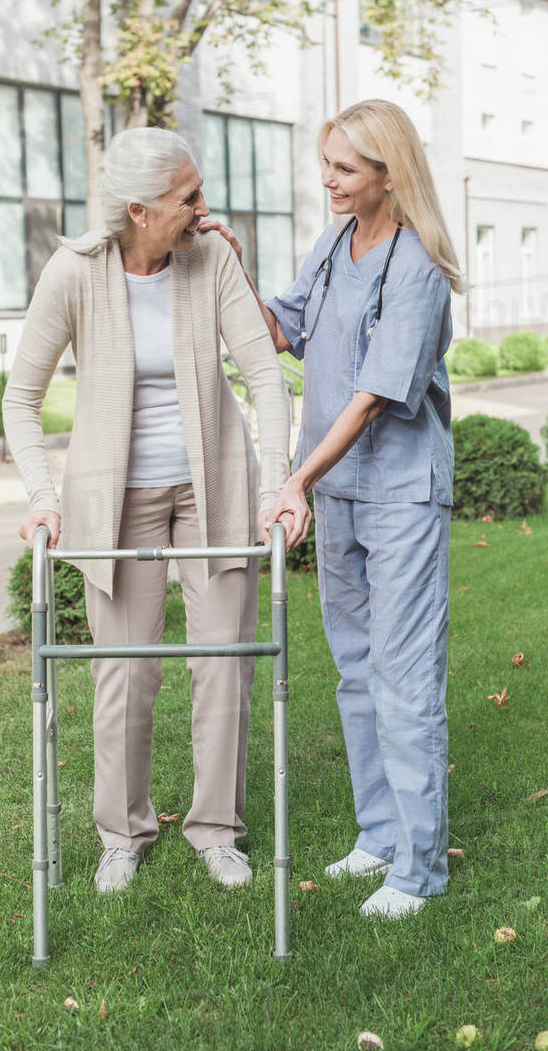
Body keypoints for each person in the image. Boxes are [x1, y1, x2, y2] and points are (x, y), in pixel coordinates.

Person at [3, 127, 290, 893]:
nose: (203, 207)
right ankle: (121, 835)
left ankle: (216, 830)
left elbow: (265, 377)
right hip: (114, 497)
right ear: (137, 209)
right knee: (124, 673)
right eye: (187, 197)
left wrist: (274, 487)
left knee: (222, 662)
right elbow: (21, 398)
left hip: (216, 487)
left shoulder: (212, 257)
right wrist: (40, 493)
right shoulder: (73, 273)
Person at [203, 99, 462, 918]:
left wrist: (293, 480)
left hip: (398, 494)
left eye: (346, 168)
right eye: (325, 164)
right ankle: (379, 835)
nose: (328, 180)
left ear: (390, 173)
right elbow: (279, 330)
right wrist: (233, 263)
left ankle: (420, 868)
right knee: (355, 672)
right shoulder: (333, 244)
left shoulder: (417, 267)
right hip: (339, 492)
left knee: (403, 677)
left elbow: (373, 399)